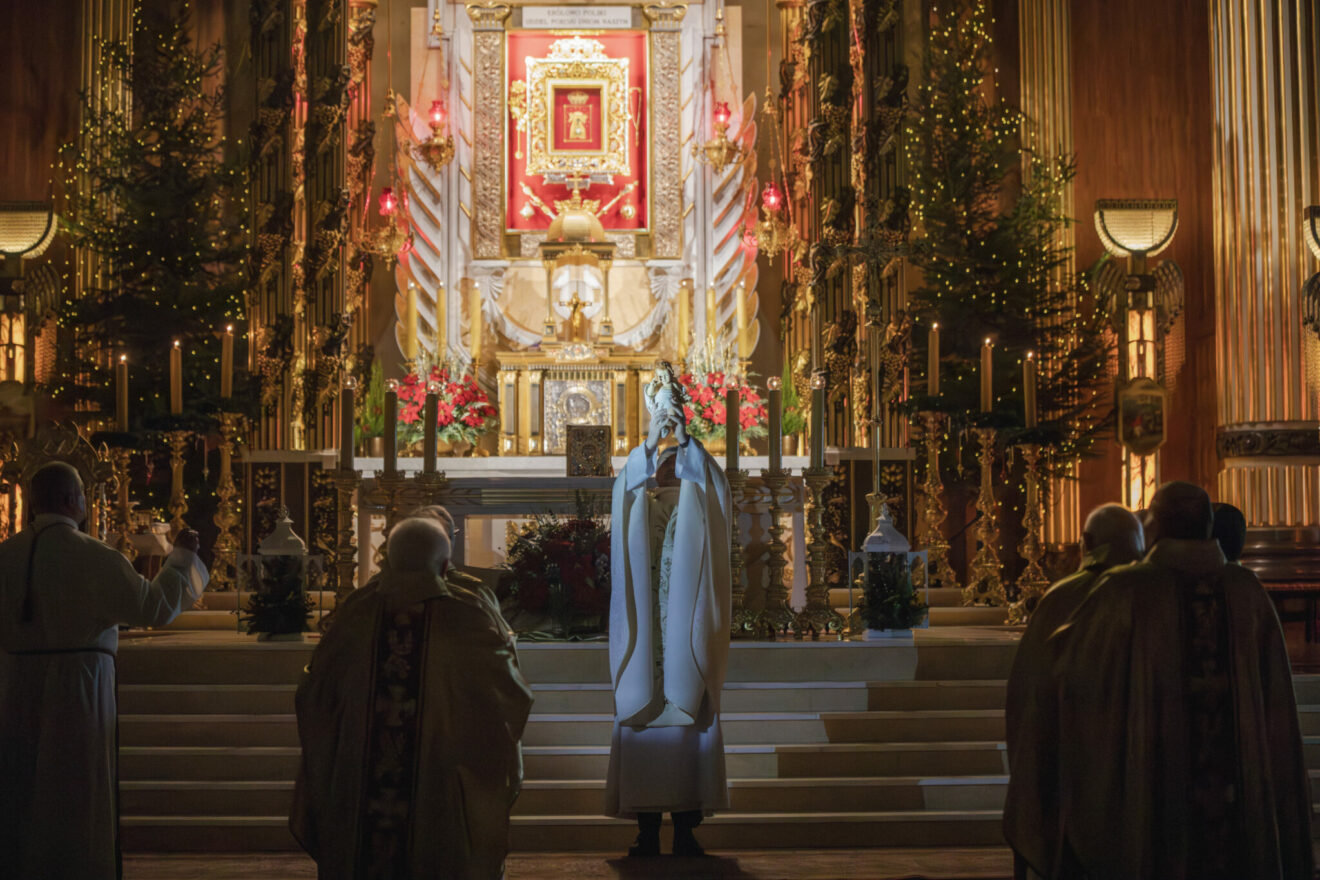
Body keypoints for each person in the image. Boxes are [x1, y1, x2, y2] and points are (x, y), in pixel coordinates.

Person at [1051, 481, 1313, 880]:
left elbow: (1074, 685)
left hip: (1157, 800)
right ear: (1209, 528)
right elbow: (1278, 714)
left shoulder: (1126, 592)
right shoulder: (1248, 594)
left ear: (1154, 528)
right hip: (1239, 811)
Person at [291, 516, 533, 880]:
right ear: (446, 566)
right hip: (437, 793)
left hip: (359, 793)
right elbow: (509, 702)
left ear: (385, 560)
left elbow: (313, 698)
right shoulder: (468, 621)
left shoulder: (353, 616)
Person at [0, 460, 209, 880]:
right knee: (75, 792)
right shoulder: (96, 556)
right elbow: (155, 607)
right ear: (70, 500)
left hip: (13, 689)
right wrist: (182, 556)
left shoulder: (6, 554)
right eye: (82, 495)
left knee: (19, 790)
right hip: (79, 693)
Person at [605, 398, 732, 857]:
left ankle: (685, 828)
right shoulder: (636, 501)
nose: (669, 466)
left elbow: (715, 484)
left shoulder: (701, 504)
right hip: (646, 653)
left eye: (677, 461)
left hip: (683, 645)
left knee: (686, 728)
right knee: (643, 724)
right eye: (663, 461)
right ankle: (644, 830)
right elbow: (625, 485)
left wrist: (684, 438)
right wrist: (648, 441)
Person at [1003, 504, 1144, 880]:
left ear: (1086, 542)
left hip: (1074, 751)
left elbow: (1029, 690)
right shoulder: (1155, 594)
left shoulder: (1064, 595)